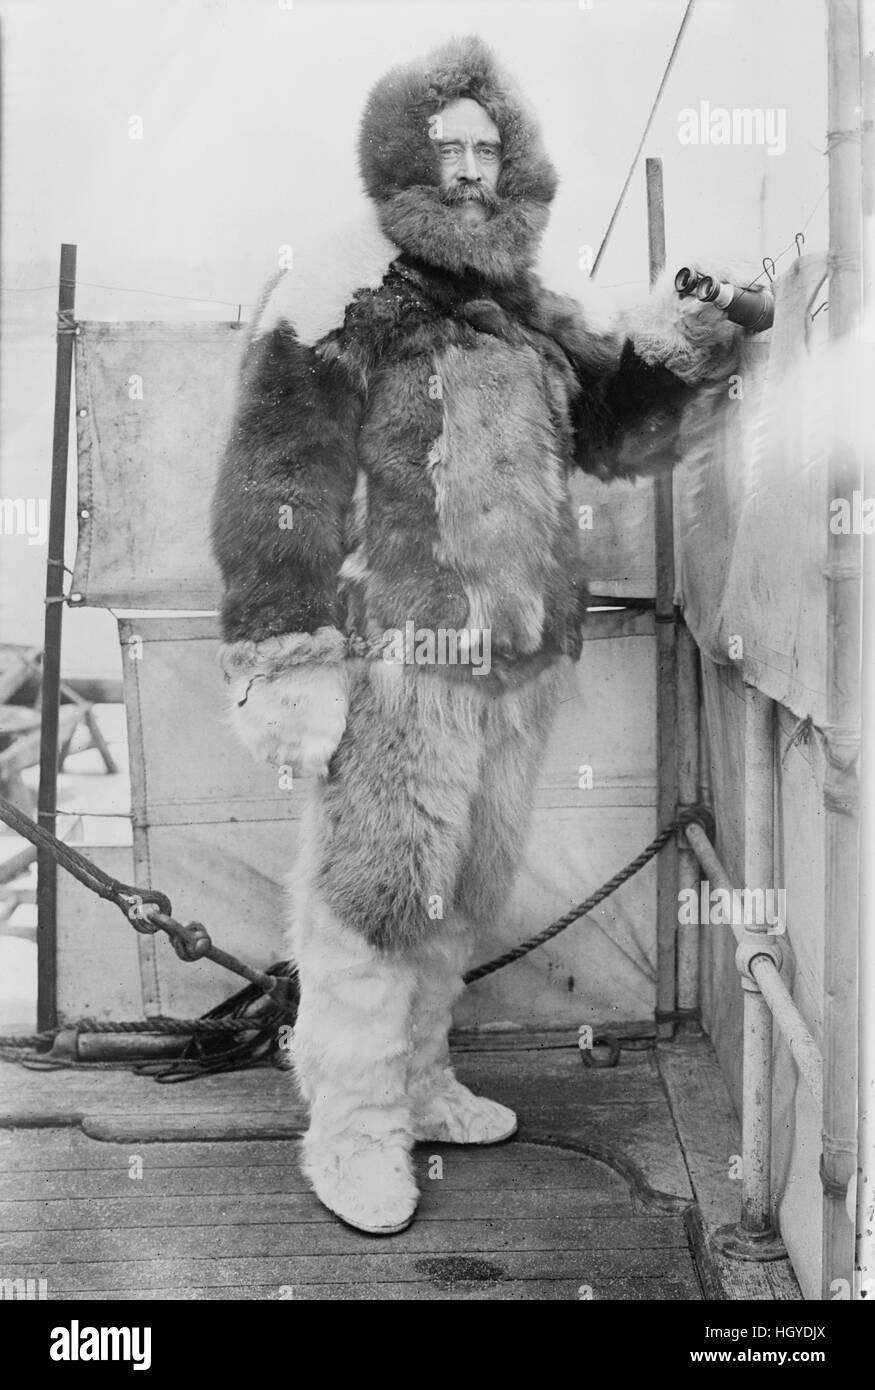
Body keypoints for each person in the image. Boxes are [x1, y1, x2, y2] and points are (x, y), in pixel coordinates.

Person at [211, 35, 741, 1234]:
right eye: (443, 147)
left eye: (483, 149)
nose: (465, 171)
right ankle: (350, 1130)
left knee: (463, 891)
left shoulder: (529, 313)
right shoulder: (343, 295)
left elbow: (612, 431)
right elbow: (276, 480)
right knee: (373, 897)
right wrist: (282, 656)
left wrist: (679, 341)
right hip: (401, 664)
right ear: (403, 155)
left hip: (517, 663)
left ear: (514, 167)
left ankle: (422, 1080)